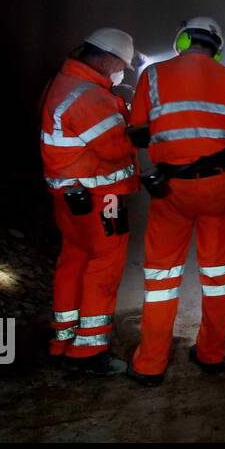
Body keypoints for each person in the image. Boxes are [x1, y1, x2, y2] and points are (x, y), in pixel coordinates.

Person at [125, 17, 225, 386]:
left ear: (182, 40)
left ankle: (150, 363)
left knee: (162, 277)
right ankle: (211, 353)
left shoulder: (152, 76)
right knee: (217, 274)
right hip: (221, 186)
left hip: (172, 189)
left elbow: (137, 135)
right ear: (217, 46)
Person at [39, 28, 139, 374]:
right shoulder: (90, 97)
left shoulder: (63, 82)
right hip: (101, 199)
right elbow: (116, 148)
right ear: (108, 59)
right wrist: (134, 121)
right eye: (122, 65)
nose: (122, 71)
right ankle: (88, 352)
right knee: (103, 268)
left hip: (68, 198)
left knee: (73, 262)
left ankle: (62, 340)